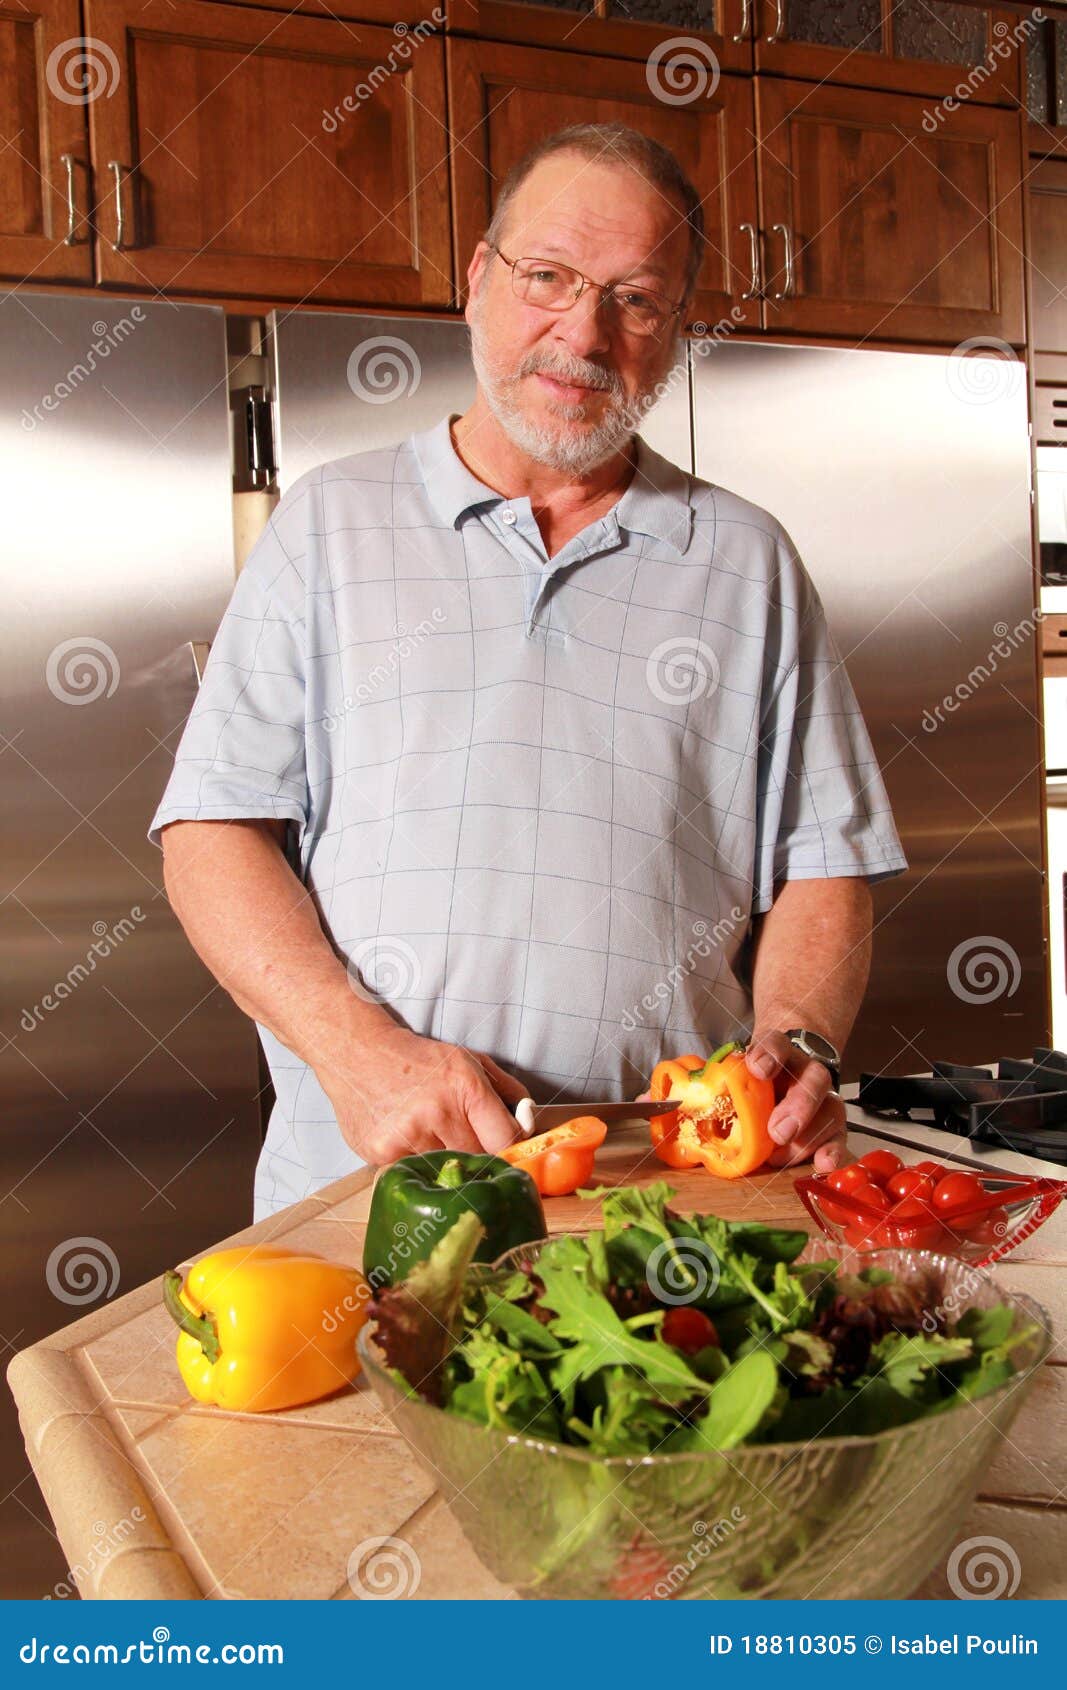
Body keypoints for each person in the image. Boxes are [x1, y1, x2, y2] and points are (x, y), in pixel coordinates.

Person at [150, 123, 908, 1220]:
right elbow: (211, 832)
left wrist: (793, 1041)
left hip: (663, 1200)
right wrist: (360, 1055)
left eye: (634, 298)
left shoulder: (747, 560)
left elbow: (823, 862)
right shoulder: (328, 526)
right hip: (364, 1197)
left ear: (676, 327)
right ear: (476, 281)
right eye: (547, 277)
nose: (583, 332)